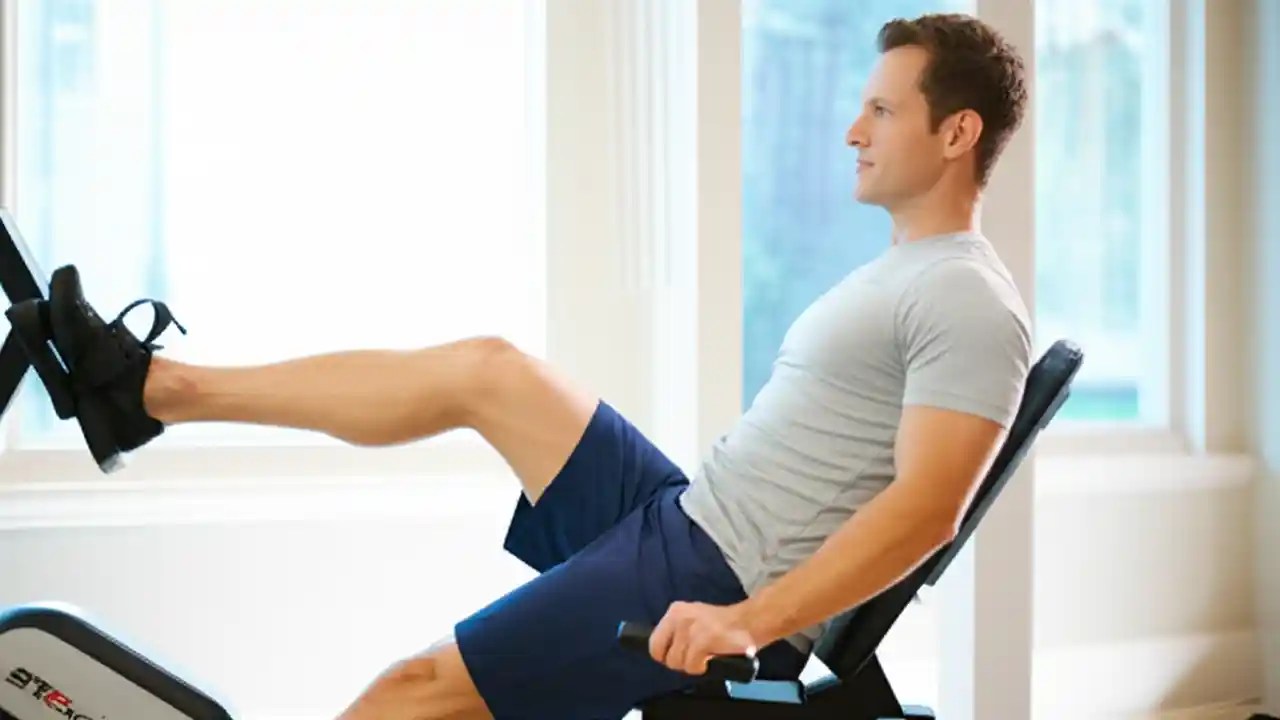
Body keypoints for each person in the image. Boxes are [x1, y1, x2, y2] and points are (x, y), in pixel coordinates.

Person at [24, 12, 1032, 720]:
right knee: (491, 369)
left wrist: (744, 621)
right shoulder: (911, 270)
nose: (853, 129)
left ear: (955, 132)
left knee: (409, 695)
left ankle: (151, 393)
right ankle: (156, 392)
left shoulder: (966, 297)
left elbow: (925, 508)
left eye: (883, 111)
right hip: (685, 514)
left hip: (713, 570)